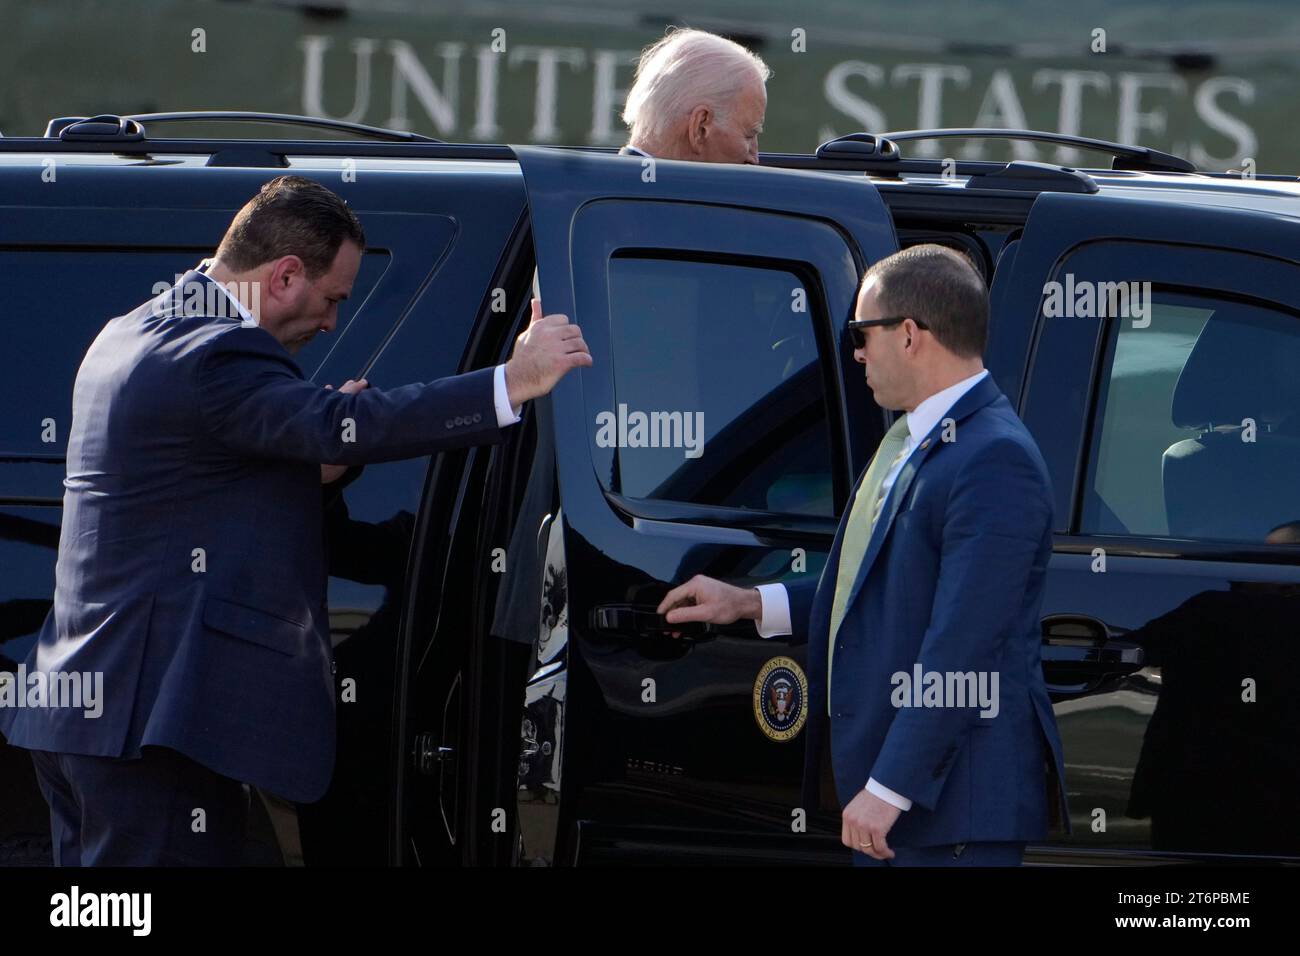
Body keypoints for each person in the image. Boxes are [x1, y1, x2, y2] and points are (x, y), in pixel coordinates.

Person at [0, 175, 590, 865]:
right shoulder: (217, 349)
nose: (333, 321)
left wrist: (315, 467)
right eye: (333, 298)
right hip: (147, 729)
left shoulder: (132, 331)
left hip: (85, 716)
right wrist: (513, 381)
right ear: (284, 275)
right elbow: (343, 423)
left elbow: (193, 481)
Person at [657, 244, 1069, 866]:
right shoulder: (916, 436)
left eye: (861, 333)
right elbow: (881, 586)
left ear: (909, 335)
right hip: (907, 811)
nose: (855, 353)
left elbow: (963, 646)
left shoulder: (993, 458)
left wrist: (890, 787)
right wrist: (747, 601)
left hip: (946, 813)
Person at [618, 27, 769, 164]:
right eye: (748, 136)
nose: (754, 158)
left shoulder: (616, 187)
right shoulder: (656, 193)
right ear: (700, 127)